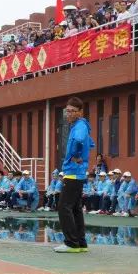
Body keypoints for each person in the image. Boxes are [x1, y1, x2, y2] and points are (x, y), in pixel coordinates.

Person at [55, 97, 94, 253]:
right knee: (75, 208)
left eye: (72, 111)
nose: (68, 114)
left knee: (64, 207)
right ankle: (81, 243)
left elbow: (79, 141)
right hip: (77, 173)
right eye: (67, 111)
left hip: (73, 173)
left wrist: (77, 155)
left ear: (80, 112)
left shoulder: (79, 126)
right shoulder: (81, 126)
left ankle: (71, 243)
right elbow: (91, 143)